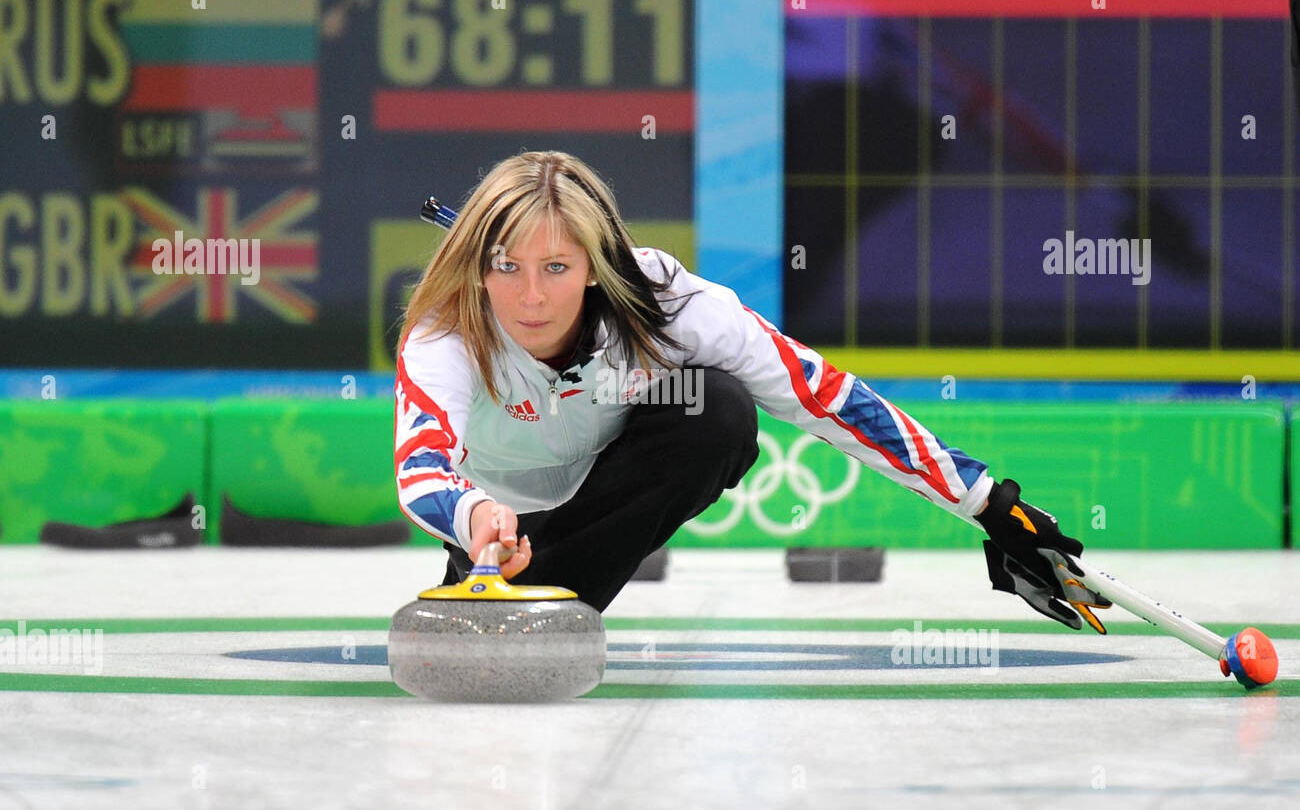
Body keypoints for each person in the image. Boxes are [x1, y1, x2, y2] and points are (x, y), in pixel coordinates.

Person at [393, 150, 1109, 629]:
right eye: (505, 266)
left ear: (593, 264)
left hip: (600, 493)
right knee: (489, 516)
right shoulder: (443, 328)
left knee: (718, 410)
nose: (530, 297)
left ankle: (554, 609)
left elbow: (824, 395)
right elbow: (421, 467)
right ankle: (503, 581)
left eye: (554, 267)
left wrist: (985, 503)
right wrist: (473, 514)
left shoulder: (668, 303)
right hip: (491, 519)